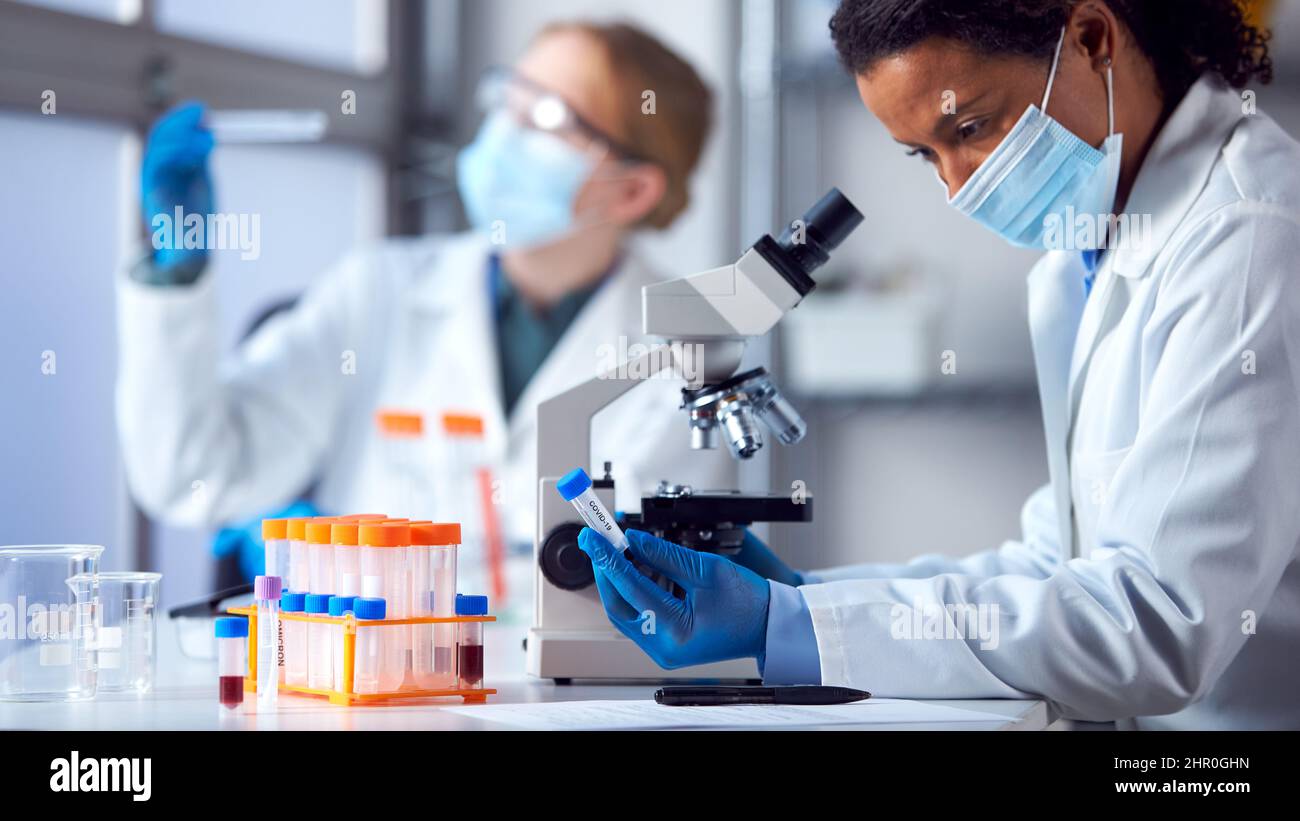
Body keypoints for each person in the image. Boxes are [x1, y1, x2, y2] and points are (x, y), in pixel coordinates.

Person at [577, 0, 1300, 730]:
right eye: (925, 154)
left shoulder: (1251, 237)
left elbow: (1154, 626)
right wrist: (807, 601)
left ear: (1090, 39)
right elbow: (1058, 566)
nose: (958, 187)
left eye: (970, 128)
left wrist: (787, 623)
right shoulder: (1085, 255)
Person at [116, 21, 732, 592]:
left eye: (545, 117)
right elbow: (194, 475)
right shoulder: (378, 289)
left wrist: (339, 564)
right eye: (505, 100)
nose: (502, 135)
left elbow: (639, 580)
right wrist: (178, 274)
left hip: (555, 700)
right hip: (359, 689)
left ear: (631, 190)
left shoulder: (685, 356)